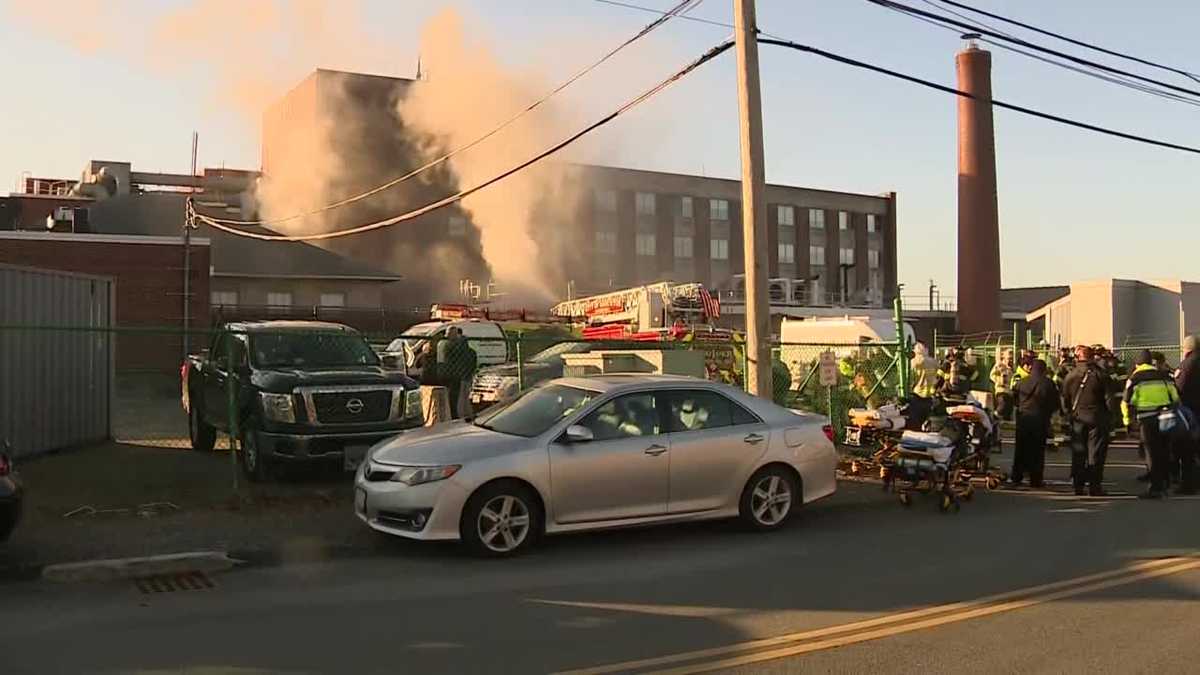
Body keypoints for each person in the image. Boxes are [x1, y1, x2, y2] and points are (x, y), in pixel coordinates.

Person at [1122, 349, 1181, 499]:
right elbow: (1175, 397)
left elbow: (1126, 401)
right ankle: (1165, 482)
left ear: (1138, 363)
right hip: (1165, 417)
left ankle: (1155, 488)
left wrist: (1127, 421)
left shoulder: (1135, 378)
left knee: (1152, 453)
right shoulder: (1164, 375)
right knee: (1164, 450)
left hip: (1146, 419)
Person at [1061, 345, 1112, 496]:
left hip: (1077, 418)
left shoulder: (1070, 375)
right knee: (1095, 453)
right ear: (1092, 357)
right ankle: (1095, 486)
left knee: (1078, 452)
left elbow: (1064, 399)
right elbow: (1109, 399)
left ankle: (1078, 486)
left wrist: (1068, 414)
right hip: (1097, 418)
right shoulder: (1100, 374)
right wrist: (1111, 418)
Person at [1011, 359, 1058, 488]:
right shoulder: (1049, 384)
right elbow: (1055, 403)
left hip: (1023, 419)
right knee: (1037, 451)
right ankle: (1035, 479)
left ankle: (1017, 476)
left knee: (1021, 449)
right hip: (1040, 420)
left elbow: (1014, 399)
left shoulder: (1021, 382)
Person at [1173, 335, 1200, 495]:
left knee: (1188, 452)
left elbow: (1178, 390)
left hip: (1190, 413)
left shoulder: (1186, 365)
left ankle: (1189, 485)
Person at [438, 327, 478, 418]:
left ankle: (459, 415)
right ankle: (468, 414)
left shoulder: (450, 348)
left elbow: (447, 361)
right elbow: (473, 364)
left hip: (456, 376)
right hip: (466, 376)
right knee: (466, 397)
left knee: (458, 398)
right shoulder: (471, 352)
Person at [909, 342, 939, 429]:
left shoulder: (913, 363)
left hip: (917, 394)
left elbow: (911, 380)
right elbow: (939, 377)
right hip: (930, 394)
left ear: (915, 351)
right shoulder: (934, 362)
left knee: (916, 420)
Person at [991, 348, 1015, 421]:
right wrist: (1000, 381)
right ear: (1004, 357)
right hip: (1002, 390)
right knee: (1003, 405)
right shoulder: (1000, 365)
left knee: (1009, 409)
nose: (1010, 360)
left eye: (1011, 358)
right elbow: (992, 376)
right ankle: (994, 416)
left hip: (1010, 392)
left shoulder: (1011, 368)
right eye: (1008, 358)